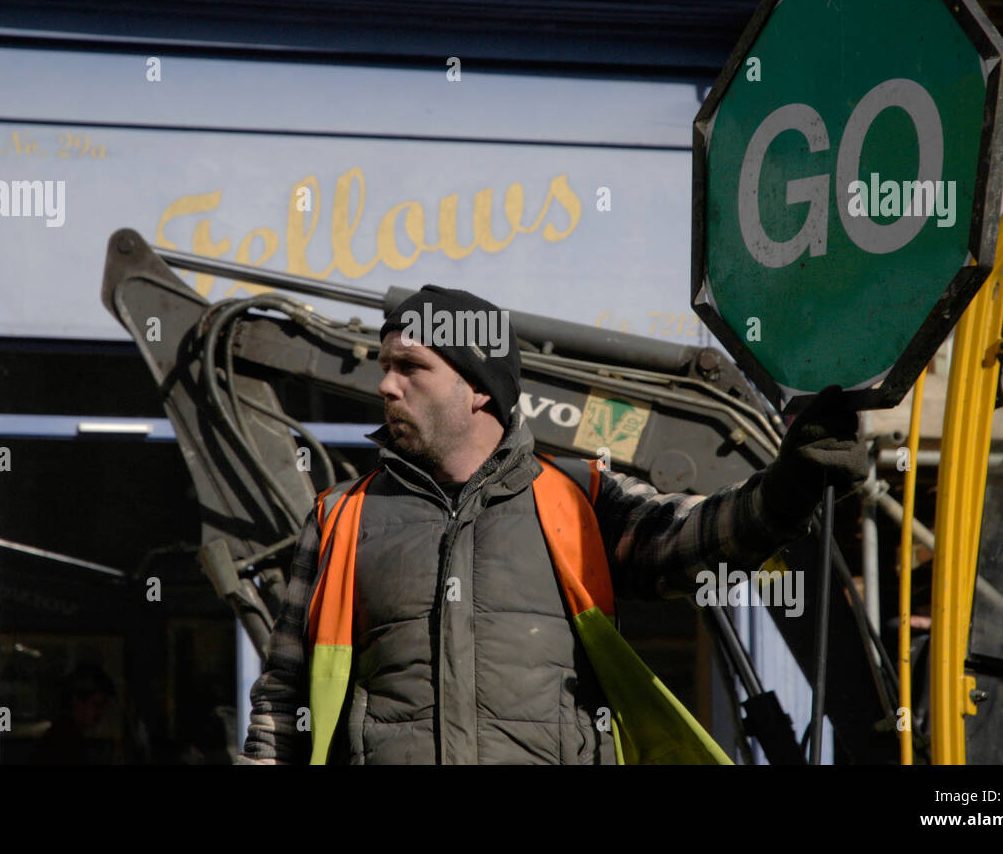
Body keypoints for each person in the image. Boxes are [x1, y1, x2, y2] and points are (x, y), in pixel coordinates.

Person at [239, 284, 867, 765]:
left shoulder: (578, 497)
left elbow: (694, 540)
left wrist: (789, 488)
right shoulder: (341, 518)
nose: (385, 385)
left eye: (411, 367)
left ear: (478, 387)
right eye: (385, 366)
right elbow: (281, 702)